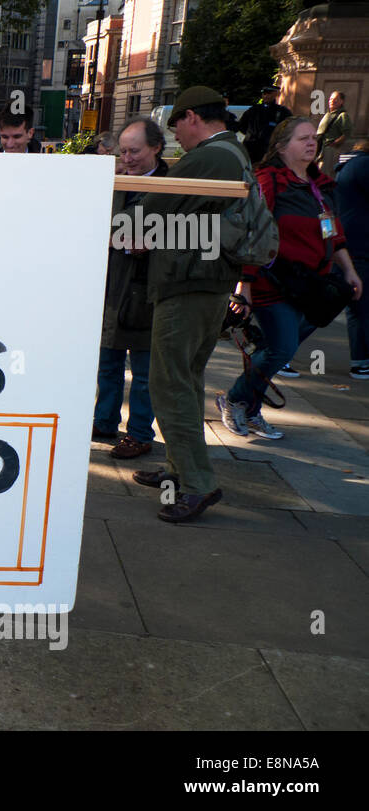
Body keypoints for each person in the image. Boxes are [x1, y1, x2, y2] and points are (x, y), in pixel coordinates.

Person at [133, 87, 246, 523]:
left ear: (193, 117)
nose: (175, 135)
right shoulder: (233, 154)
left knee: (169, 385)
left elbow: (149, 209)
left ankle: (198, 484)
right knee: (186, 380)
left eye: (176, 124)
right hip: (206, 284)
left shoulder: (209, 158)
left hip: (187, 285)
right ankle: (179, 470)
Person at [219, 117, 363, 438]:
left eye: (314, 138)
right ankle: (236, 399)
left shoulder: (321, 186)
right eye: (303, 138)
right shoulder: (269, 179)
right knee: (281, 349)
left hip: (312, 287)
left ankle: (250, 409)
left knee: (276, 348)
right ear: (282, 146)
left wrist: (350, 270)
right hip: (274, 281)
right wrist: (245, 285)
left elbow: (333, 234)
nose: (312, 143)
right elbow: (255, 230)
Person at [94, 117, 169, 460]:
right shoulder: (112, 181)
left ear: (156, 148)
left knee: (143, 370)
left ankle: (139, 433)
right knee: (107, 362)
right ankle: (104, 420)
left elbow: (174, 236)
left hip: (145, 290)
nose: (127, 158)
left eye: (134, 151)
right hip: (110, 286)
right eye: (123, 151)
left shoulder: (171, 186)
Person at [339, 140, 369, 379]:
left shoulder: (347, 166)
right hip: (359, 245)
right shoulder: (363, 167)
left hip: (347, 242)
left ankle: (361, 361)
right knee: (353, 302)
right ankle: (277, 348)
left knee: (354, 304)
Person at [238, 85, 291, 164]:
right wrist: (251, 135)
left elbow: (289, 128)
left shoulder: (282, 112)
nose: (266, 96)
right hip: (251, 149)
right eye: (264, 94)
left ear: (276, 94)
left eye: (269, 93)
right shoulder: (253, 110)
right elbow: (242, 125)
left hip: (270, 150)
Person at [316, 91, 351, 179]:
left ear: (341, 102)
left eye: (335, 99)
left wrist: (335, 143)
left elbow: (347, 133)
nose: (332, 101)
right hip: (321, 148)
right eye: (331, 99)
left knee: (325, 174)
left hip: (329, 149)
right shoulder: (328, 114)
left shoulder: (343, 115)